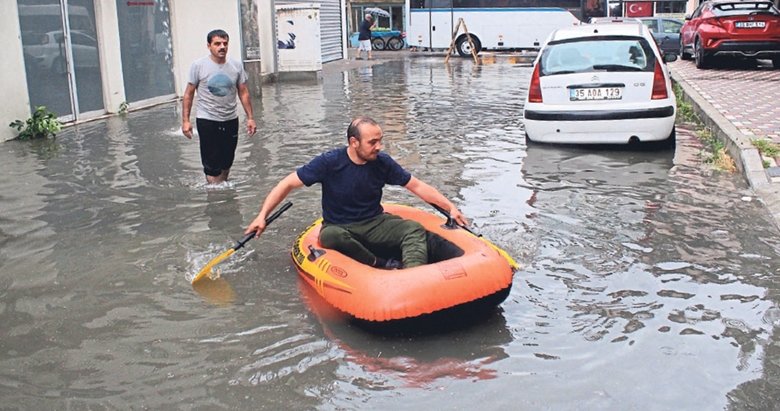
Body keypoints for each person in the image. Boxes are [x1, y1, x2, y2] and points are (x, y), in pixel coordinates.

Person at [245, 116, 468, 269]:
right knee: (331, 236)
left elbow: (416, 186)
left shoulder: (382, 162)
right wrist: (261, 216)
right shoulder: (329, 162)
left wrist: (450, 207)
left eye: (380, 140)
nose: (379, 146)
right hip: (340, 226)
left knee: (413, 229)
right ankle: (377, 264)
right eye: (373, 142)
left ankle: (415, 275)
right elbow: (287, 184)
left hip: (374, 222)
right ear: (354, 142)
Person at [182, 29, 257, 184]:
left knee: (227, 160)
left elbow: (243, 92)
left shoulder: (236, 66)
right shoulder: (198, 66)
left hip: (230, 119)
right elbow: (188, 94)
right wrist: (186, 121)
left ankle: (222, 189)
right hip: (207, 119)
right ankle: (215, 194)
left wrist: (250, 118)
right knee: (212, 164)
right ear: (209, 46)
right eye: (217, 44)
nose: (222, 47)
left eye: (225, 43)